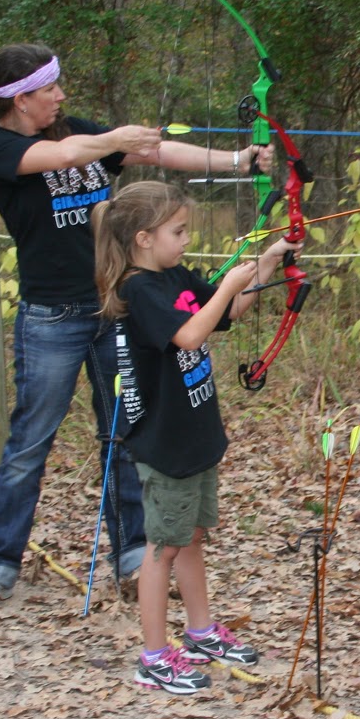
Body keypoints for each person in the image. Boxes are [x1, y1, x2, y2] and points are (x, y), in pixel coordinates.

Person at [0, 43, 273, 608]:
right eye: (50, 89)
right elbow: (61, 157)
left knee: (129, 433)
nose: (61, 97)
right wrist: (116, 141)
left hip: (117, 307)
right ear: (19, 98)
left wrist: (237, 161)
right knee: (31, 440)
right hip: (52, 315)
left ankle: (134, 554)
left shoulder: (75, 131)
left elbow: (157, 152)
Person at [94, 180, 296, 692]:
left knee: (191, 537)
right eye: (177, 230)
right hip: (164, 442)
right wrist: (228, 286)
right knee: (162, 547)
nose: (186, 239)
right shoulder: (139, 289)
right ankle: (155, 655)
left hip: (195, 432)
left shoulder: (175, 275)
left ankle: (201, 631)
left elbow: (225, 313)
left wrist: (270, 260)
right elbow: (188, 333)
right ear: (143, 238)